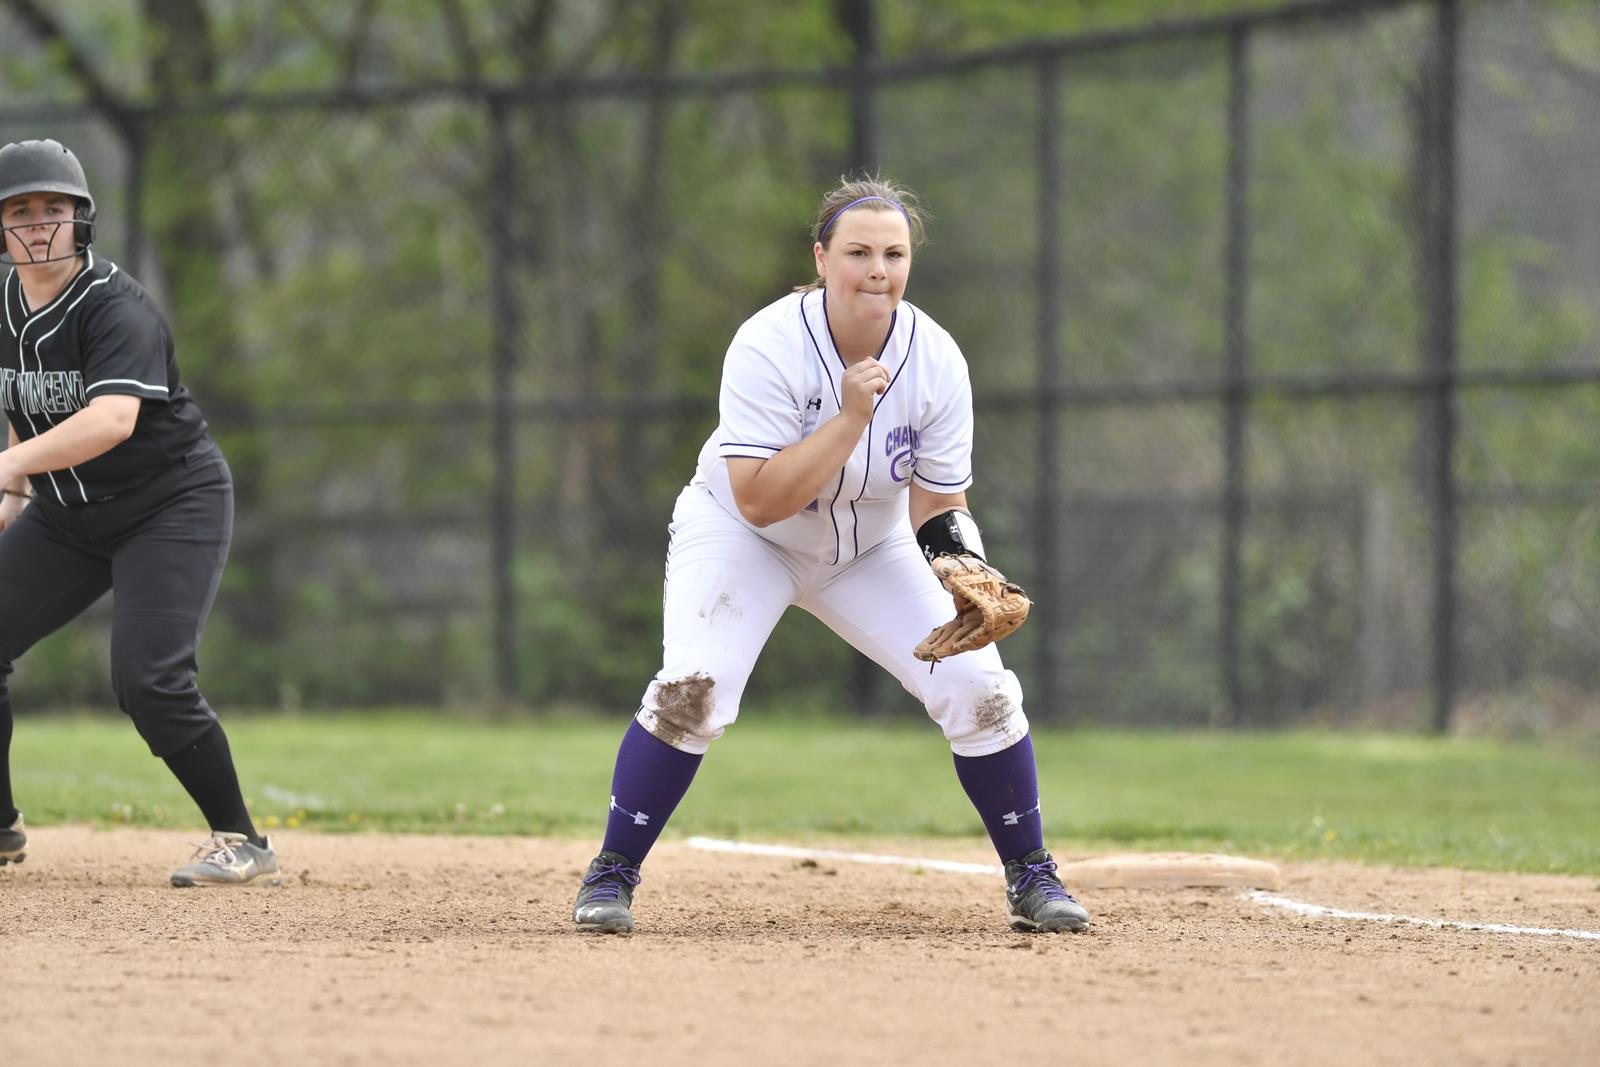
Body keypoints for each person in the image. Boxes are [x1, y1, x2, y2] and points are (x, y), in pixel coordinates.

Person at [571, 176, 1089, 935]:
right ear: (821, 258)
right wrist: (850, 417)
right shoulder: (768, 344)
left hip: (870, 547)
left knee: (984, 690)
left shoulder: (936, 359)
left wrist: (963, 566)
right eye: (858, 251)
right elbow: (759, 498)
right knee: (696, 688)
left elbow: (940, 502)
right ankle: (612, 871)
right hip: (745, 537)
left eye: (894, 252)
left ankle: (1032, 875)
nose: (877, 269)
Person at [0, 138, 279, 886]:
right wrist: (13, 493)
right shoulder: (4, 306)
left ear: (81, 219)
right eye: (19, 210)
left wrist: (8, 466)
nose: (36, 224)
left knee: (147, 677)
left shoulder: (115, 307)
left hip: (169, 502)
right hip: (68, 515)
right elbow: (24, 405)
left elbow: (111, 420)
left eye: (53, 209)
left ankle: (243, 840)